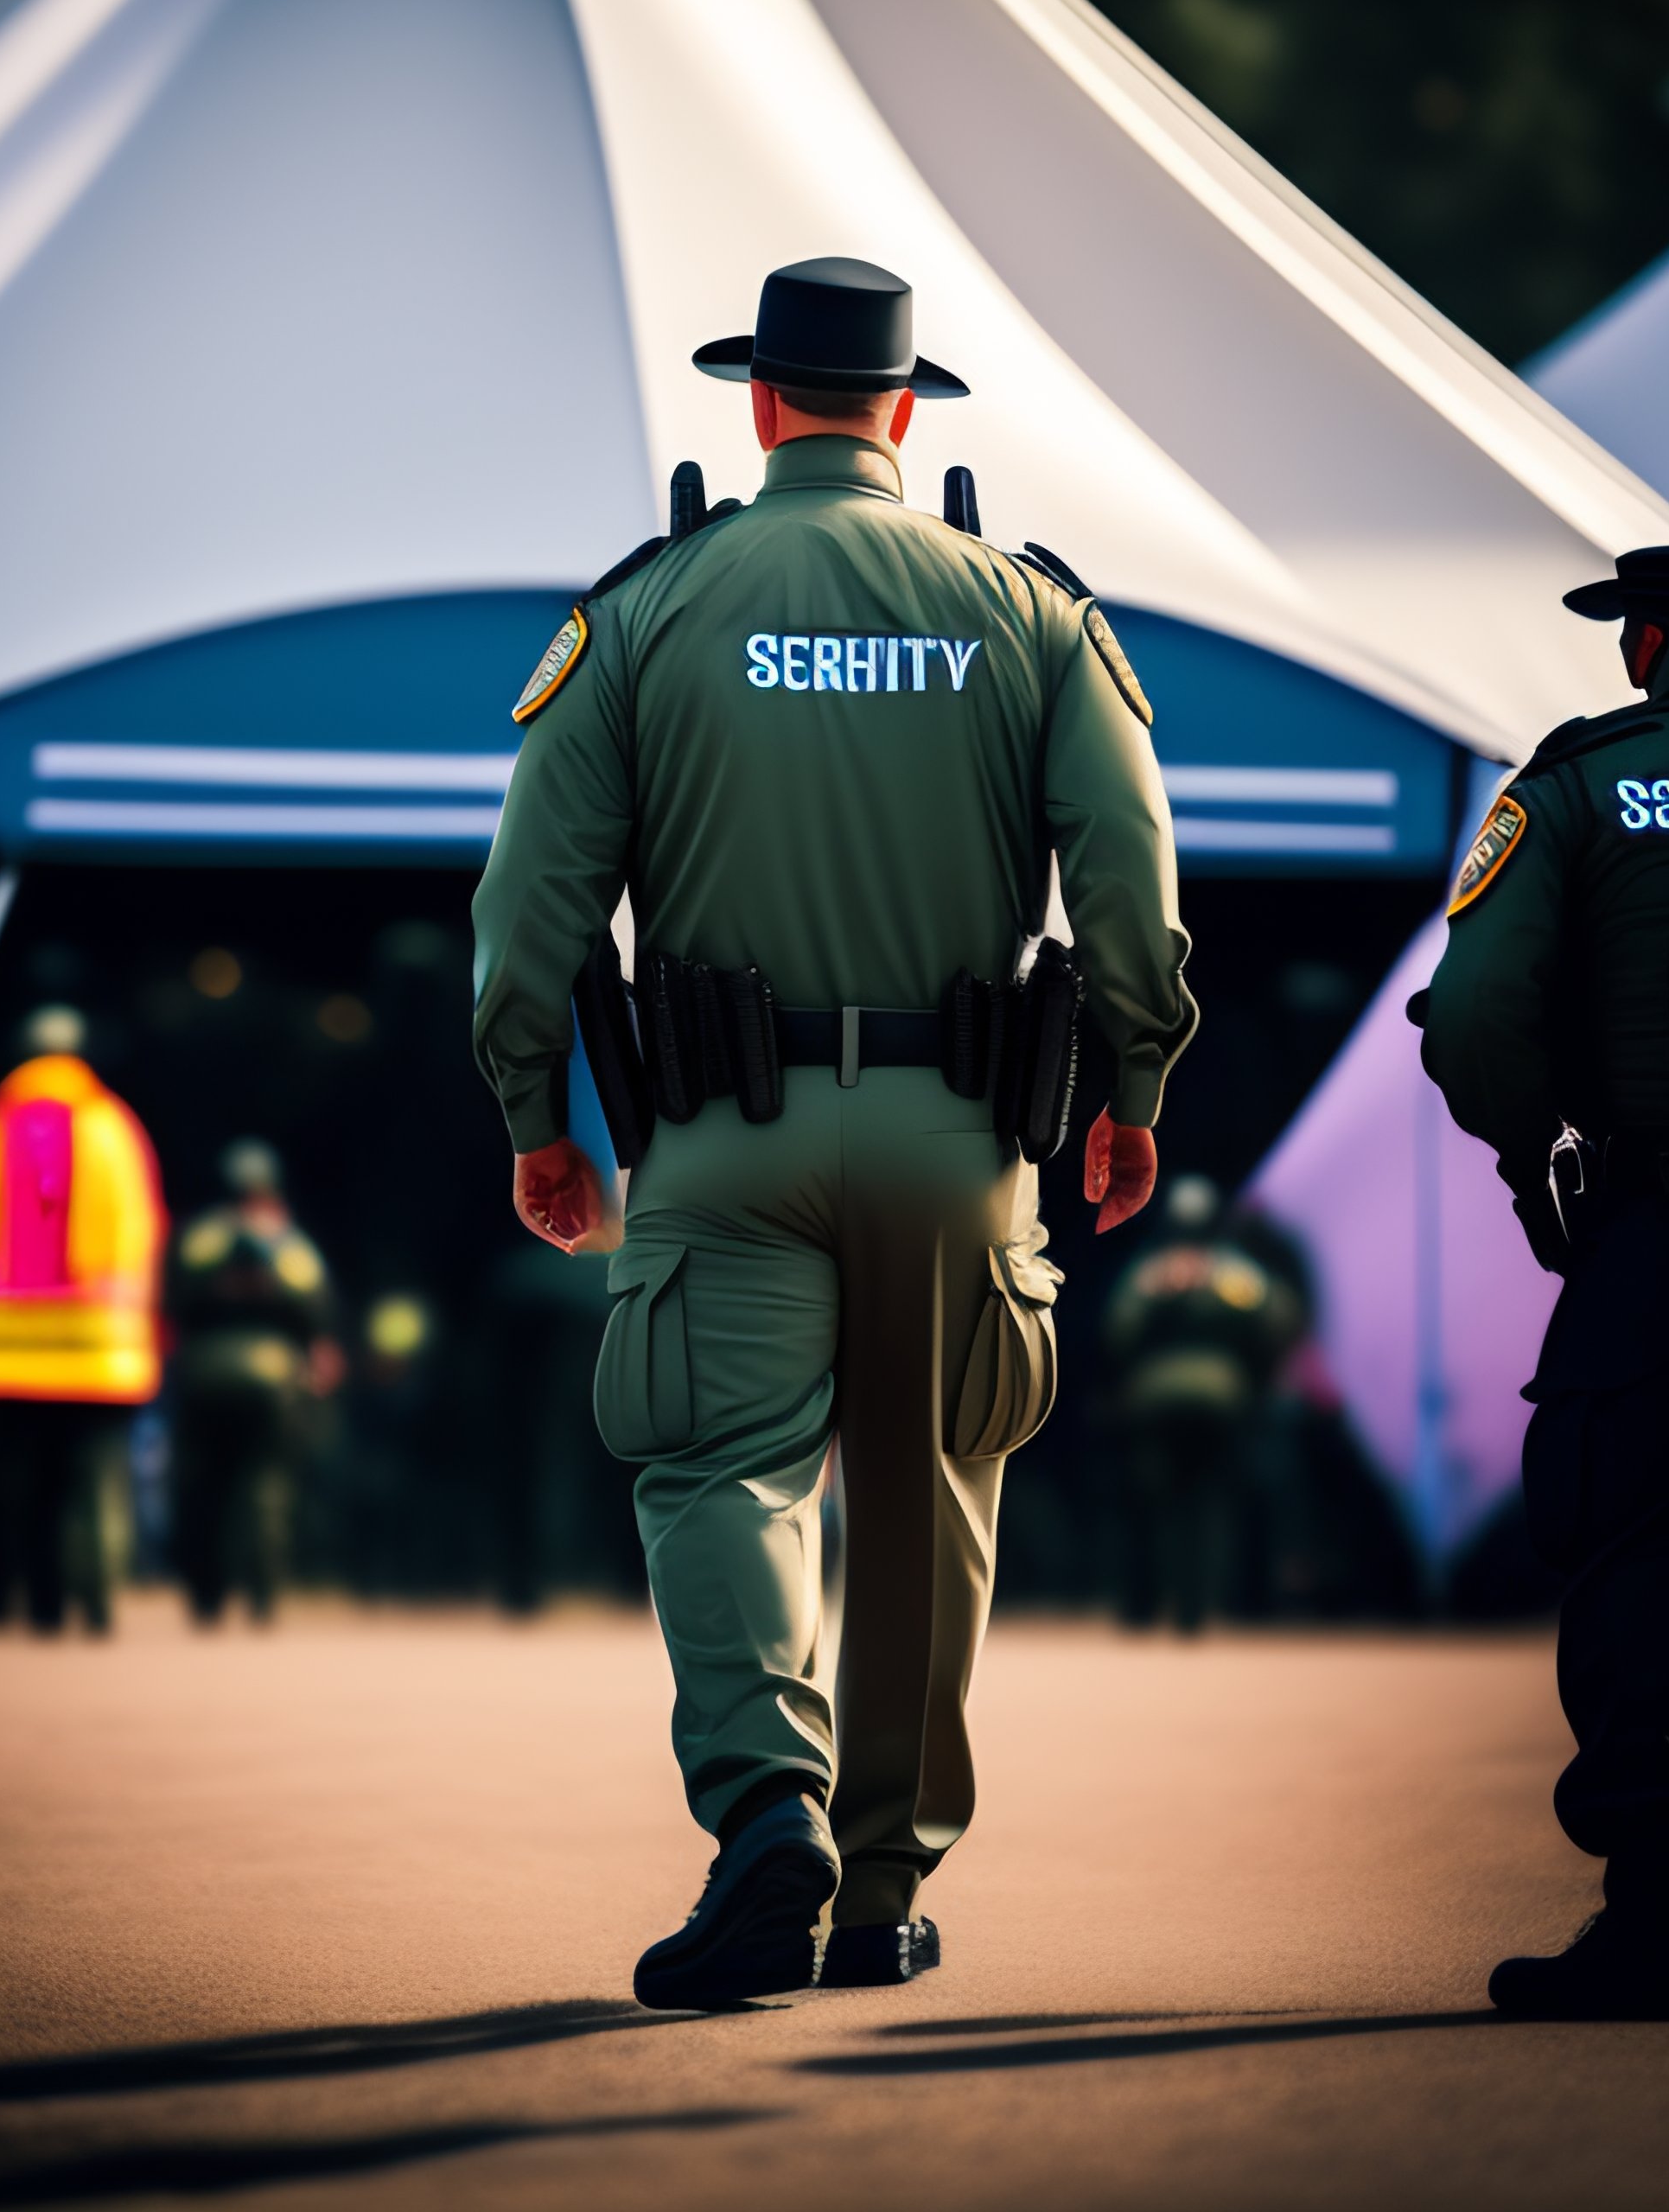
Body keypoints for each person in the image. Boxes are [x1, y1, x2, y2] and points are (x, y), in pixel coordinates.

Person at [474, 256, 1196, 2008]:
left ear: (759, 403)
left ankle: (765, 1819)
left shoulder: (644, 609)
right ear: (900, 411)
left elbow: (530, 912)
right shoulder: (1030, 616)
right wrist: (1129, 1092)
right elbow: (1133, 895)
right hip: (963, 1139)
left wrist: (531, 1115)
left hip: (724, 1135)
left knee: (721, 1471)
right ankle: (882, 1893)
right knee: (934, 1489)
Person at [1416, 544, 1669, 2022]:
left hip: (1660, 1240)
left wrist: (1531, 1150)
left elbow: (1474, 1008)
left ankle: (1648, 1925)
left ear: (1644, 641)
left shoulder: (1587, 780)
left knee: (1636, 1551)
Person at [0, 1010, 165, 1631]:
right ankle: (91, 1601)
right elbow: (140, 1231)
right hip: (95, 1355)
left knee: (11, 1482)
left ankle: (12, 1602)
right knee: (90, 1484)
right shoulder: (113, 1129)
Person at [1098, 1176, 1306, 1632]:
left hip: (1154, 1400)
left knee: (1154, 1500)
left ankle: (1142, 1605)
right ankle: (1199, 1608)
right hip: (1220, 1398)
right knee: (1209, 1500)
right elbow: (1279, 1317)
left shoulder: (1150, 1271)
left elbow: (1117, 1329)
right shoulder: (1234, 1272)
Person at [168, 1140, 341, 1623]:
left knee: (204, 1483)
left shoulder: (201, 1237)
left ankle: (206, 1595)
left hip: (205, 1371)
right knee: (266, 1482)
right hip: (273, 1377)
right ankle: (263, 1592)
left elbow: (177, 1300)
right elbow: (316, 1310)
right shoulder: (288, 1241)